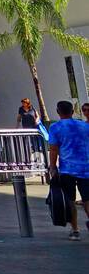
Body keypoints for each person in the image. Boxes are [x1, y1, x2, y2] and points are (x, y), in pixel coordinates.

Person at [47, 99, 89, 240]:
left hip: (67, 169)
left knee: (70, 200)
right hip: (85, 168)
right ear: (72, 112)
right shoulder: (84, 126)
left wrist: (53, 167)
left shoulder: (55, 127)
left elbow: (53, 149)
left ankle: (75, 230)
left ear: (58, 112)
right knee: (87, 199)